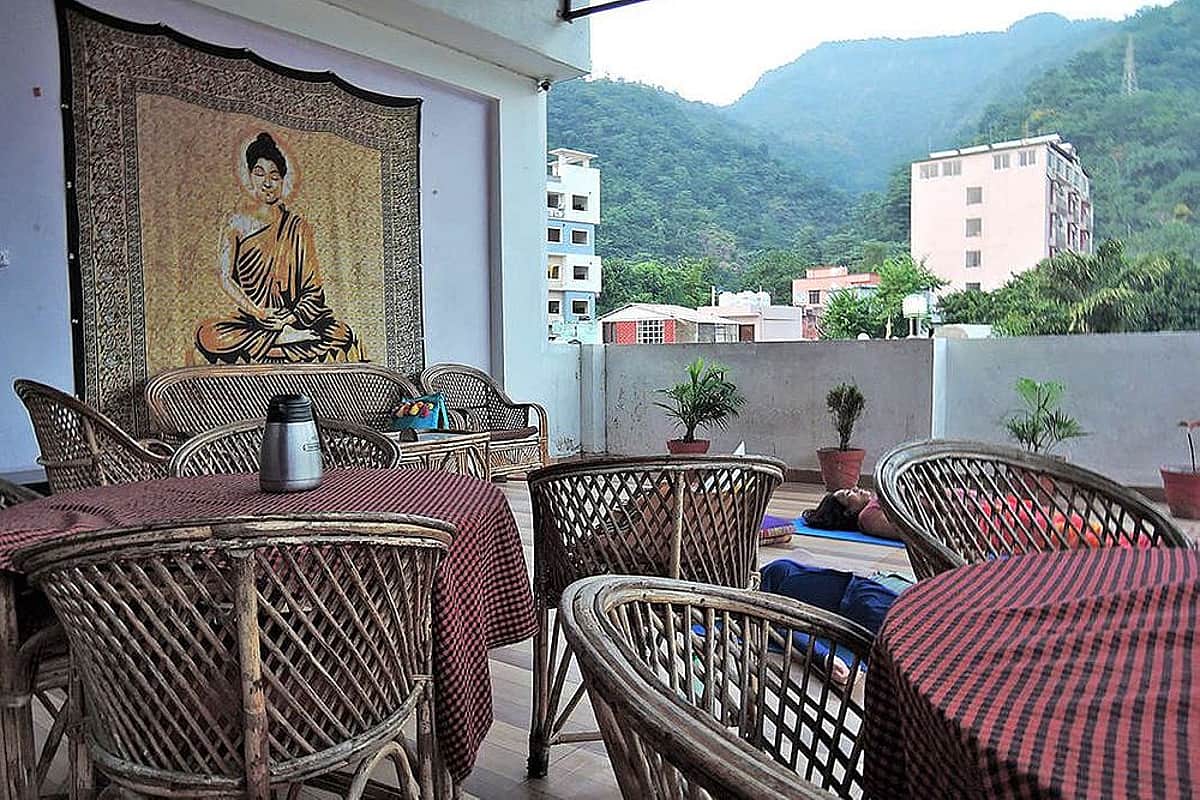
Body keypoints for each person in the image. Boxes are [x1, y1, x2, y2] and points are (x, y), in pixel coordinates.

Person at [195, 132, 362, 364]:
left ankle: (279, 339)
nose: (267, 183)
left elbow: (313, 288)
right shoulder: (236, 223)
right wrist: (259, 312)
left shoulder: (297, 227)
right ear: (249, 177)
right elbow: (225, 277)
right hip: (253, 319)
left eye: (274, 176)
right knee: (208, 335)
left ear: (283, 180)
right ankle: (281, 340)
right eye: (259, 174)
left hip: (293, 319)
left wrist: (290, 317)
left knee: (341, 333)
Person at [802, 487, 902, 541]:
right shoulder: (868, 516)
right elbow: (904, 529)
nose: (855, 488)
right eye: (848, 493)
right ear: (848, 512)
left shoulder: (873, 505)